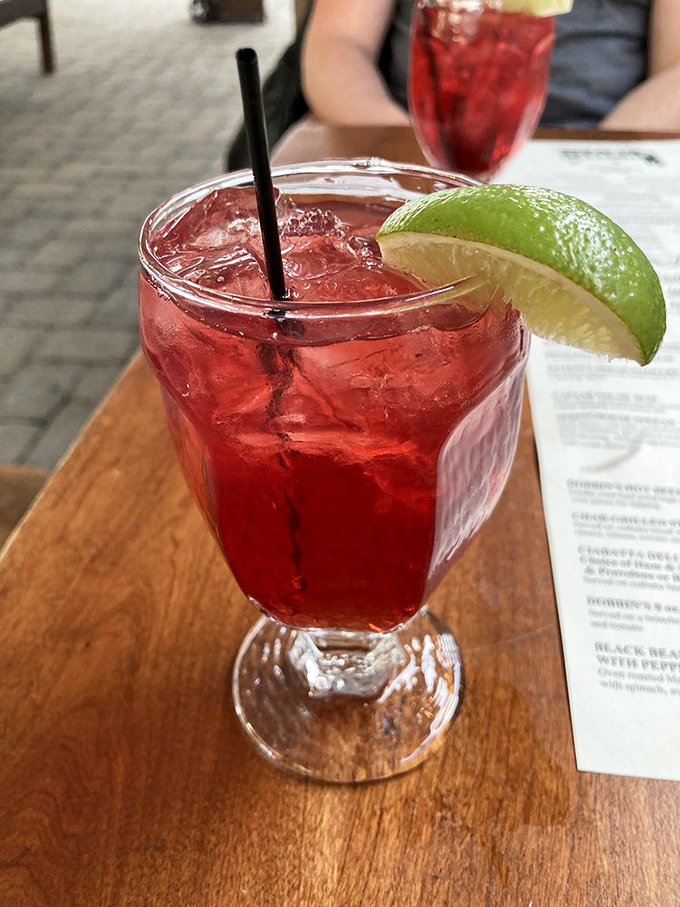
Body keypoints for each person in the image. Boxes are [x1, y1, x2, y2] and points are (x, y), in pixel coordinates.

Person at [300, 0, 680, 132]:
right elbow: (337, 43)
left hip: (598, 142)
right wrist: (404, 157)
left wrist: (603, 155)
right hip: (418, 138)